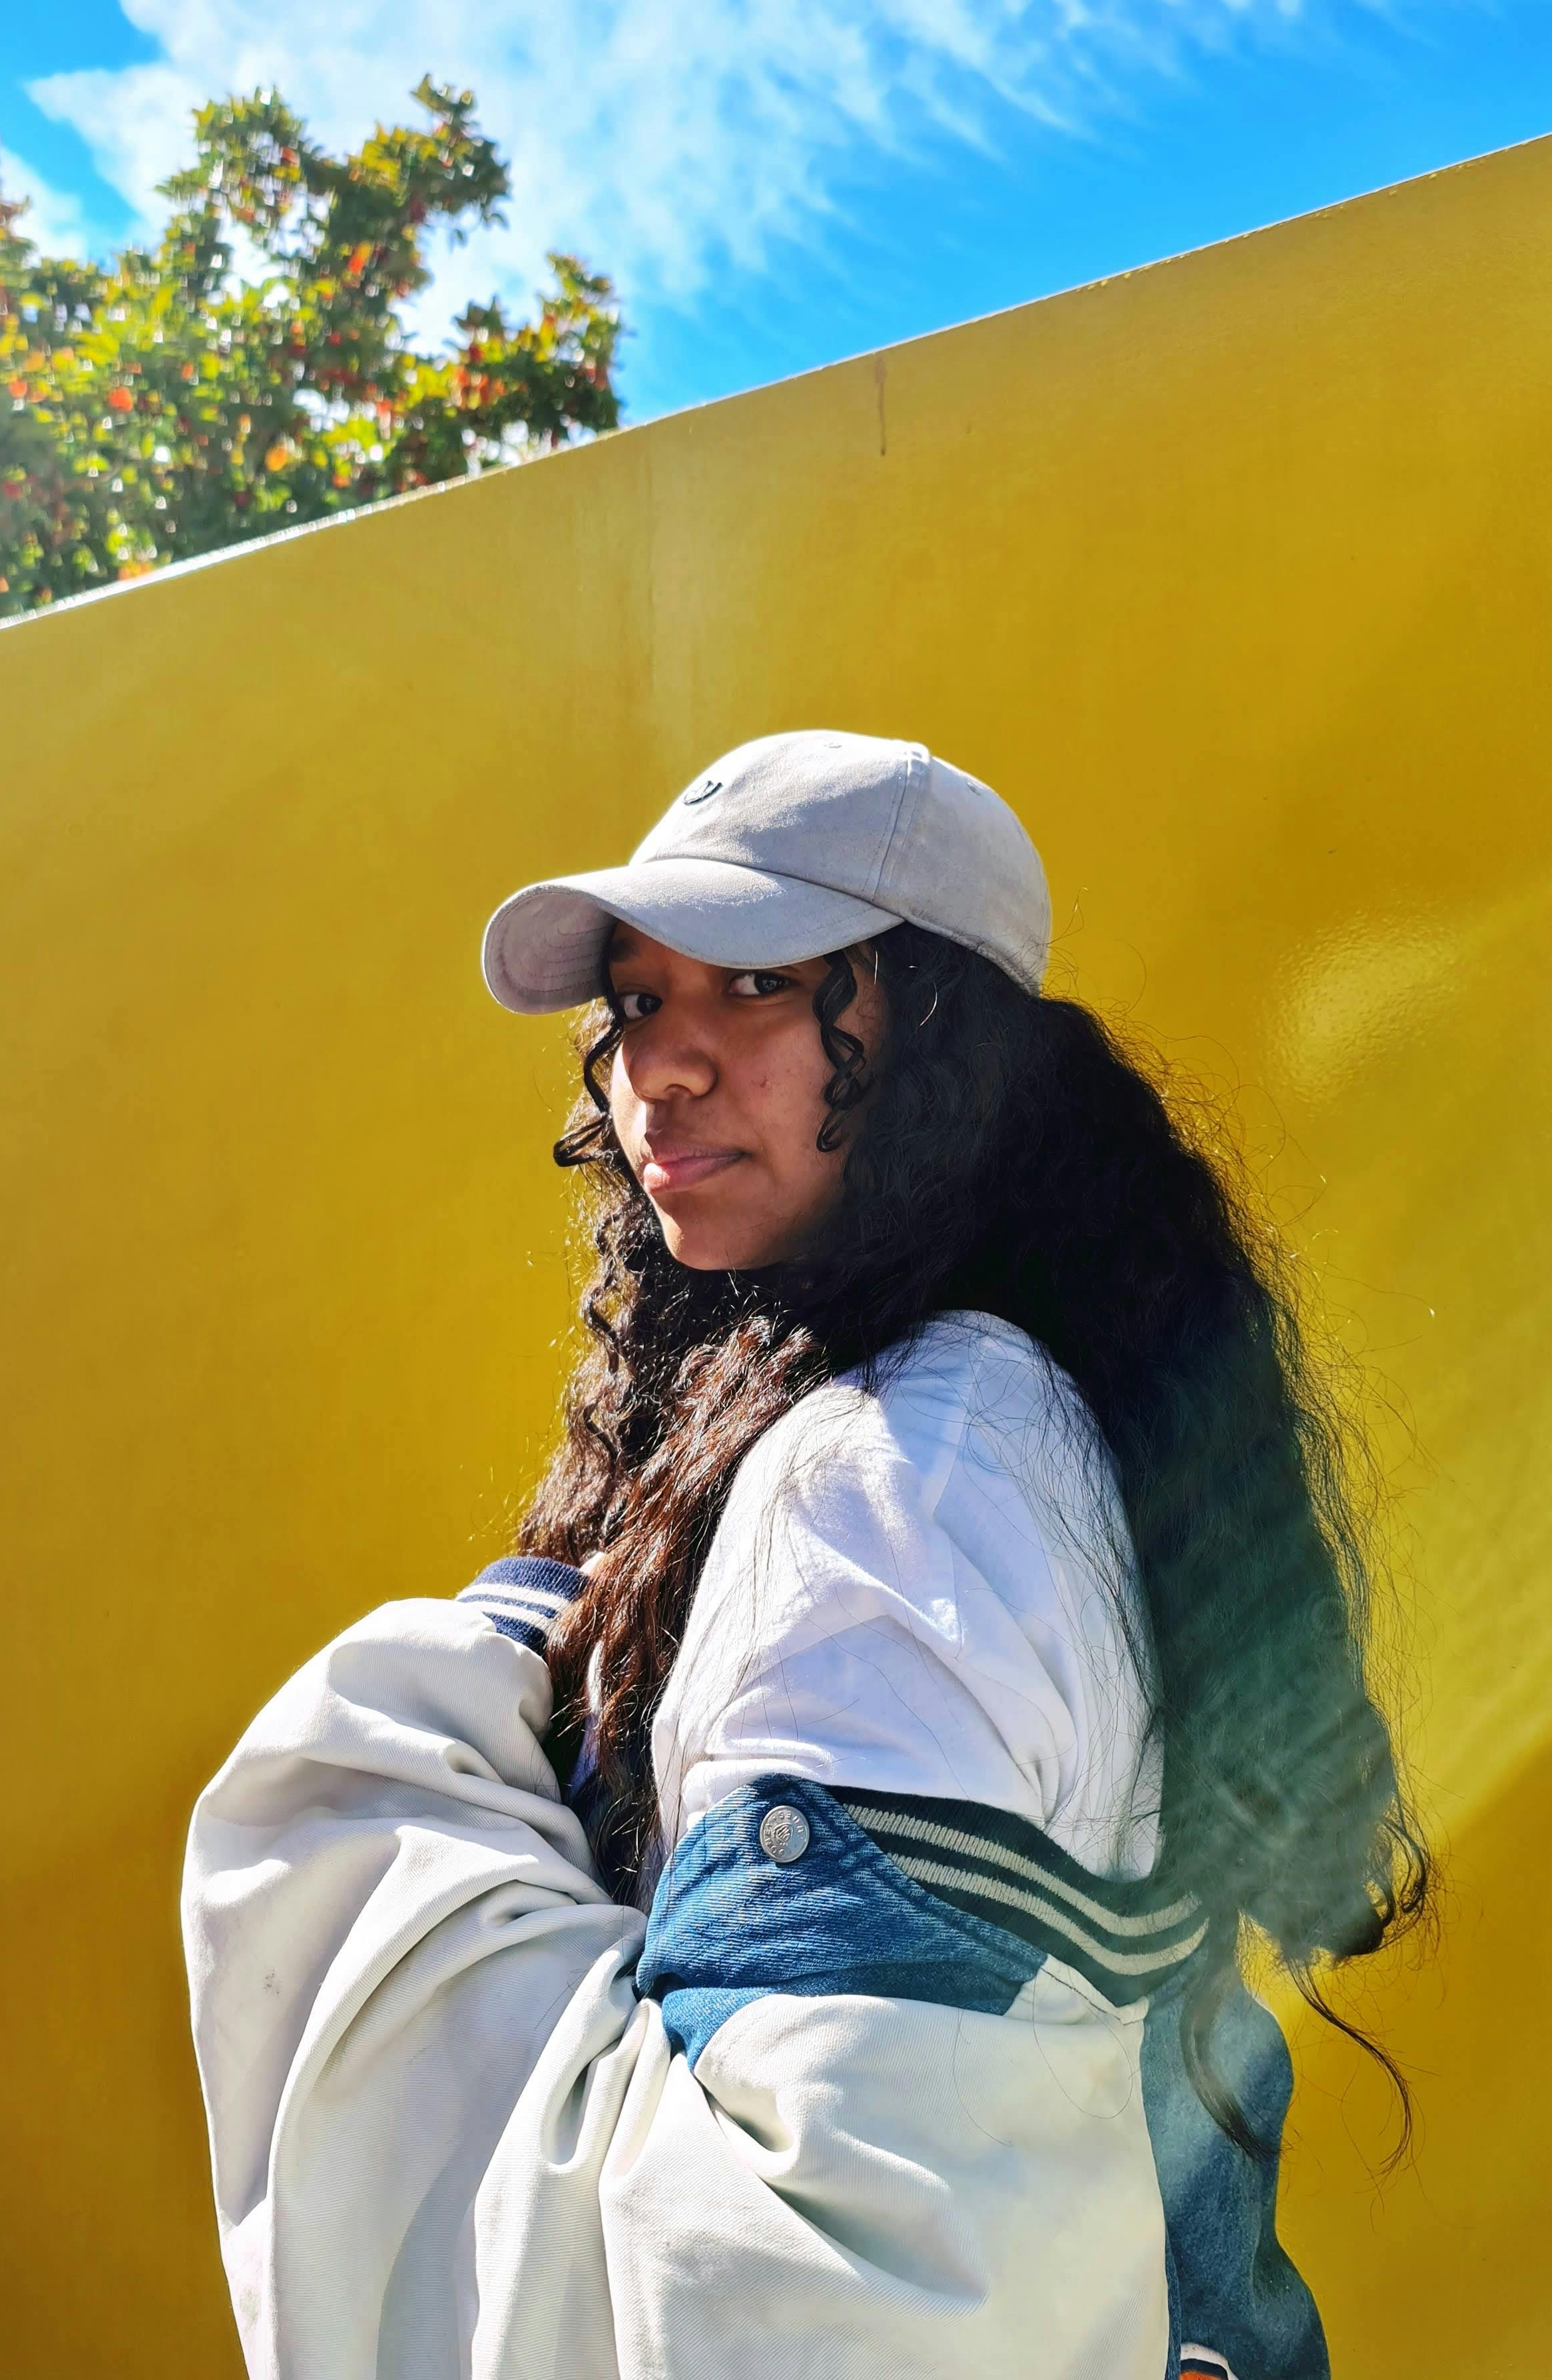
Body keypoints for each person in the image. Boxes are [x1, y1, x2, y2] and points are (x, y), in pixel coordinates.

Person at [183, 729, 1427, 2380]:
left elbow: (828, 2288)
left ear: (936, 1034)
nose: (662, 1065)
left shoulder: (891, 1483)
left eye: (756, 980)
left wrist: (396, 1779)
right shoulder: (1031, 1401)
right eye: (634, 998)